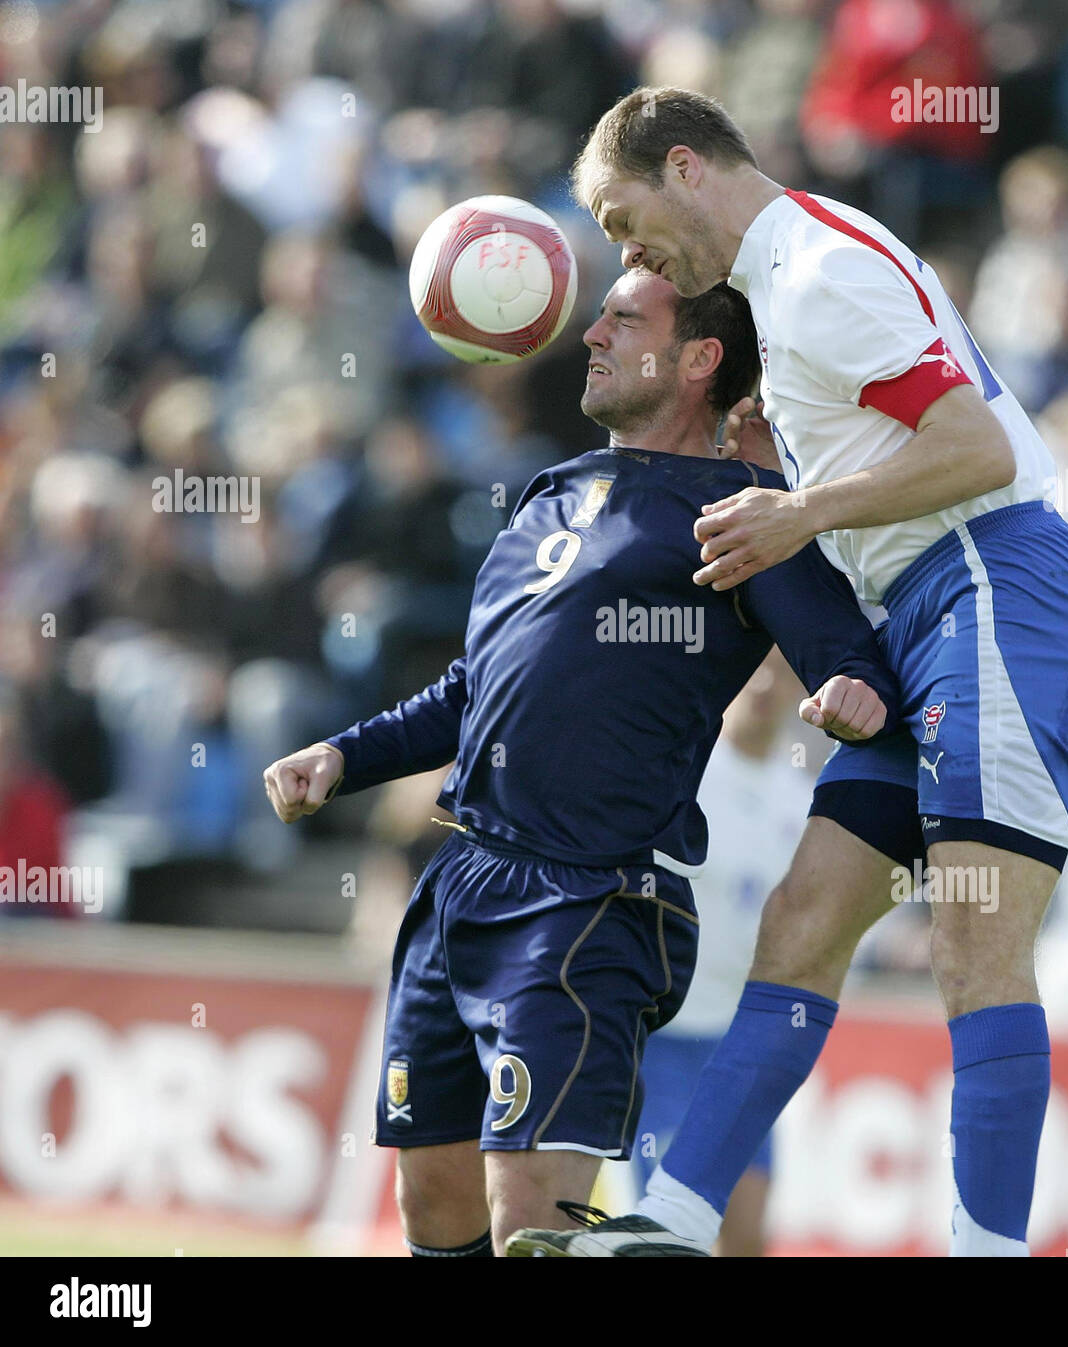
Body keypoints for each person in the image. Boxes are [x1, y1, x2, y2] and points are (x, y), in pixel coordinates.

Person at [506, 87, 1068, 1259]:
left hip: (999, 588)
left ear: (685, 167)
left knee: (974, 933)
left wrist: (801, 510)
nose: (622, 249)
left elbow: (974, 447)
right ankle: (676, 1226)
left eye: (619, 215)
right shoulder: (787, 280)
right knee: (800, 918)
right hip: (928, 608)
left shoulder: (815, 276)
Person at [263, 268, 899, 1257]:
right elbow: (470, 690)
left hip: (588, 901)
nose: (590, 331)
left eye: (622, 318)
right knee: (433, 1204)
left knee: (536, 1223)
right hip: (460, 883)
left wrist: (853, 694)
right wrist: (343, 755)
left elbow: (851, 663)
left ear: (698, 360)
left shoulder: (748, 512)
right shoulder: (551, 491)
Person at [630, 650, 810, 1257]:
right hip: (661, 1035)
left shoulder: (807, 801)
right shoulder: (682, 773)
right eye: (751, 665)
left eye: (781, 671)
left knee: (748, 1235)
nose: (762, 682)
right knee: (669, 1234)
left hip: (740, 1043)